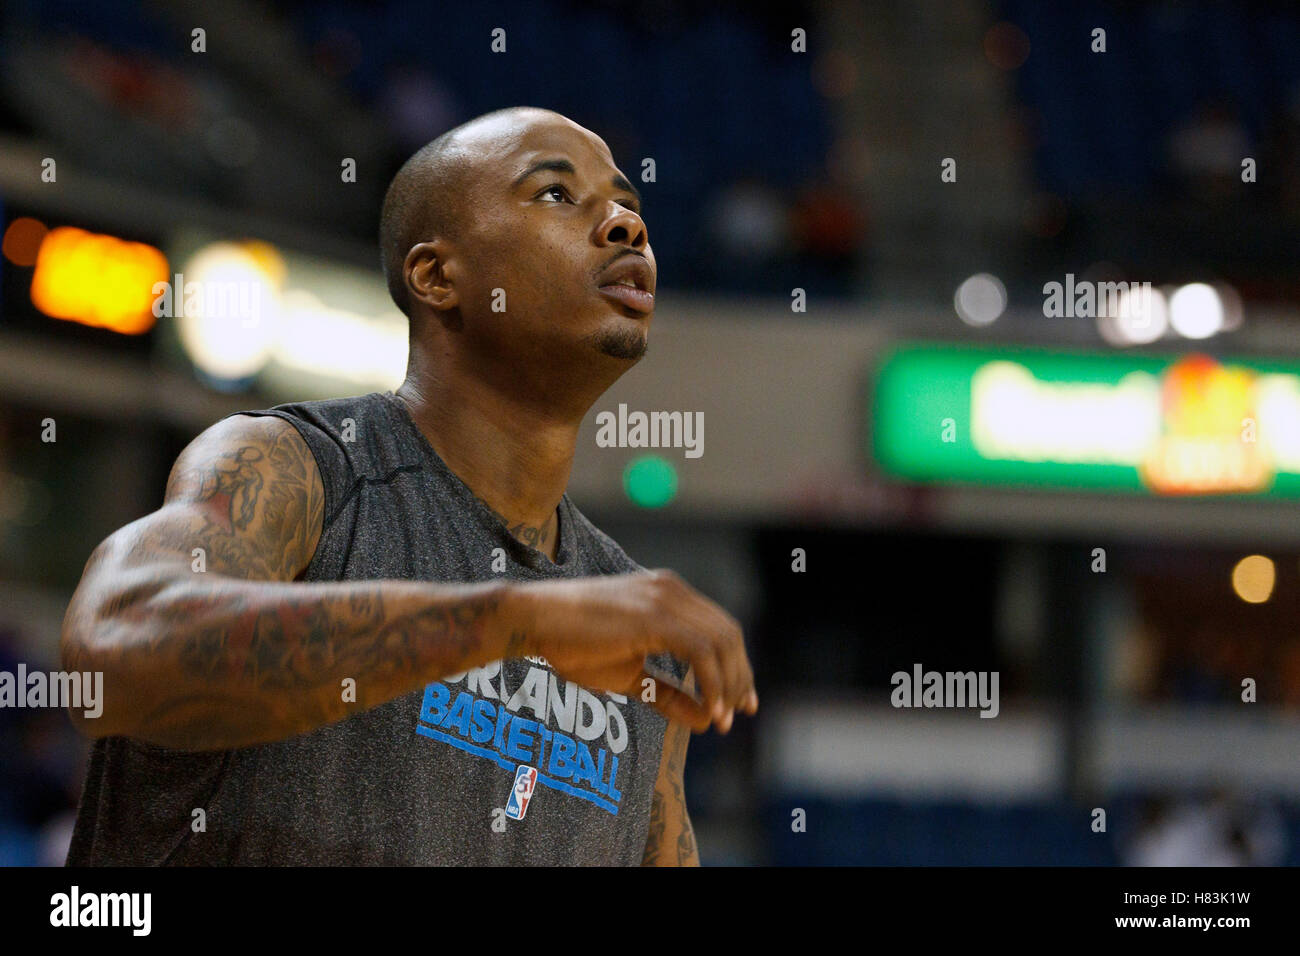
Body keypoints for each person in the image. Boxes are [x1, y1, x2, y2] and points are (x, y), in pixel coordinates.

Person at [60, 106, 757, 865]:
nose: (625, 225)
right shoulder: (295, 467)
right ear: (437, 275)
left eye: (628, 204)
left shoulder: (635, 632)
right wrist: (513, 620)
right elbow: (112, 649)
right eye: (556, 194)